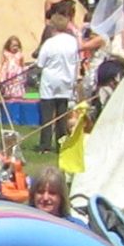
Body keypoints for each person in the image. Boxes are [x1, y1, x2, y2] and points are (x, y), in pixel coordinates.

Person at [35, 11, 81, 154]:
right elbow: (76, 60)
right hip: (66, 80)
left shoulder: (49, 43)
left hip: (49, 80)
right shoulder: (72, 41)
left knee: (47, 115)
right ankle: (61, 142)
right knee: (62, 114)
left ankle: (45, 145)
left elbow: (40, 63)